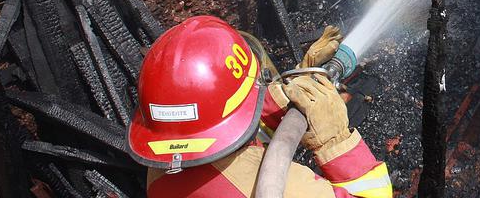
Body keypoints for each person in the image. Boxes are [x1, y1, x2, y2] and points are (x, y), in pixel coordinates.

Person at [128, 16, 392, 197]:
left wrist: (287, 94)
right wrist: (334, 142)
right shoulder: (287, 189)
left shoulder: (162, 170)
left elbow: (231, 130)